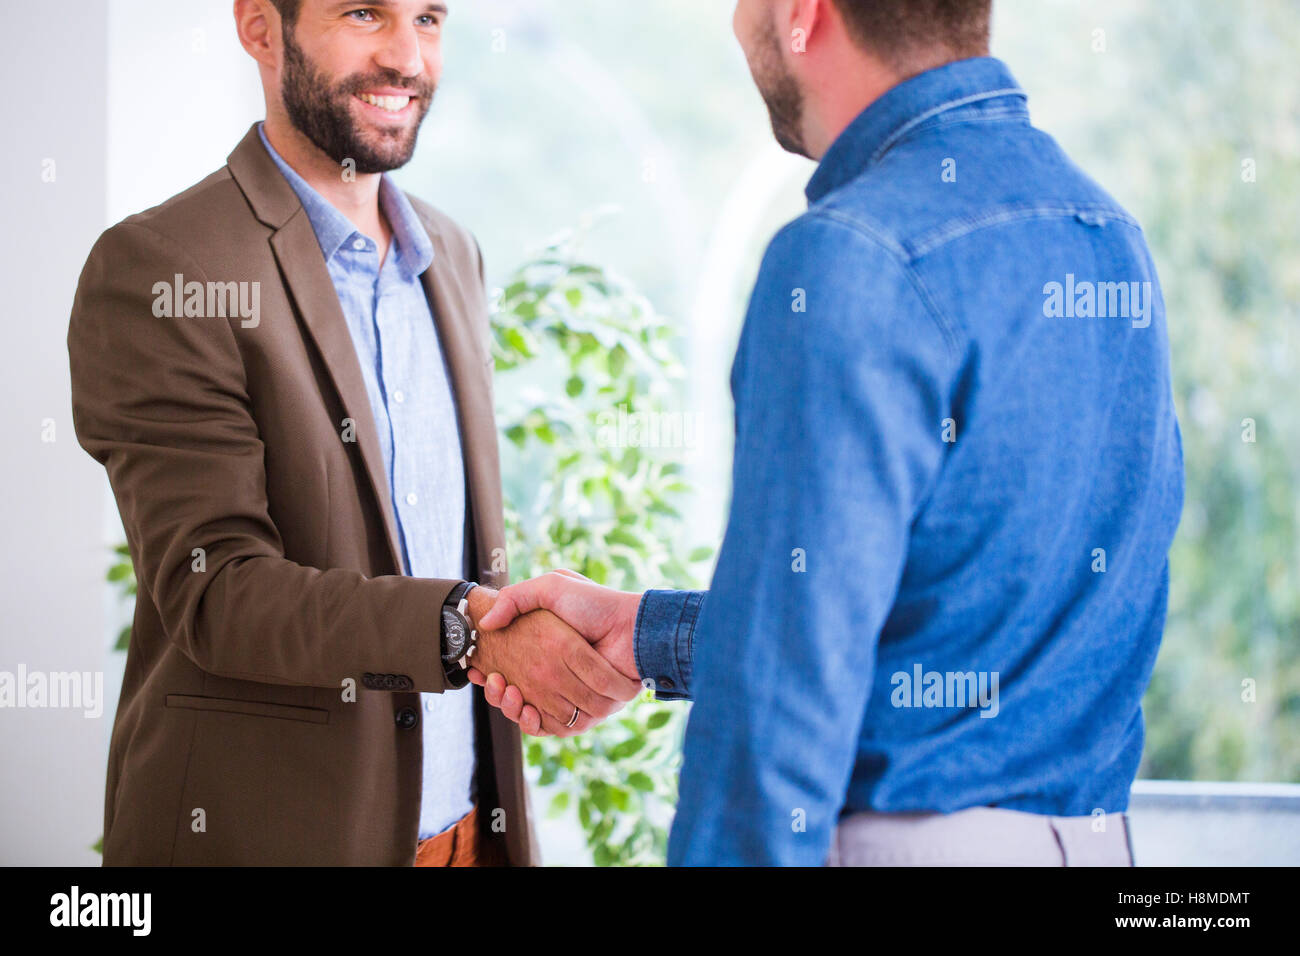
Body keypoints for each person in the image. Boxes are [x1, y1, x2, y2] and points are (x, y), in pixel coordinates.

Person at [474, 0, 1185, 866]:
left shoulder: (850, 255)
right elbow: (954, 620)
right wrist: (648, 633)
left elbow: (776, 724)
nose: (738, 26)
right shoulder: (1107, 234)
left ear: (803, 14)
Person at [67, 0, 638, 866]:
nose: (407, 56)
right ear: (261, 29)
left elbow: (443, 541)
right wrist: (471, 629)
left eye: (431, 18)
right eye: (364, 14)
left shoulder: (451, 252)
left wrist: (537, 631)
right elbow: (218, 591)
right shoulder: (165, 267)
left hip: (464, 834)